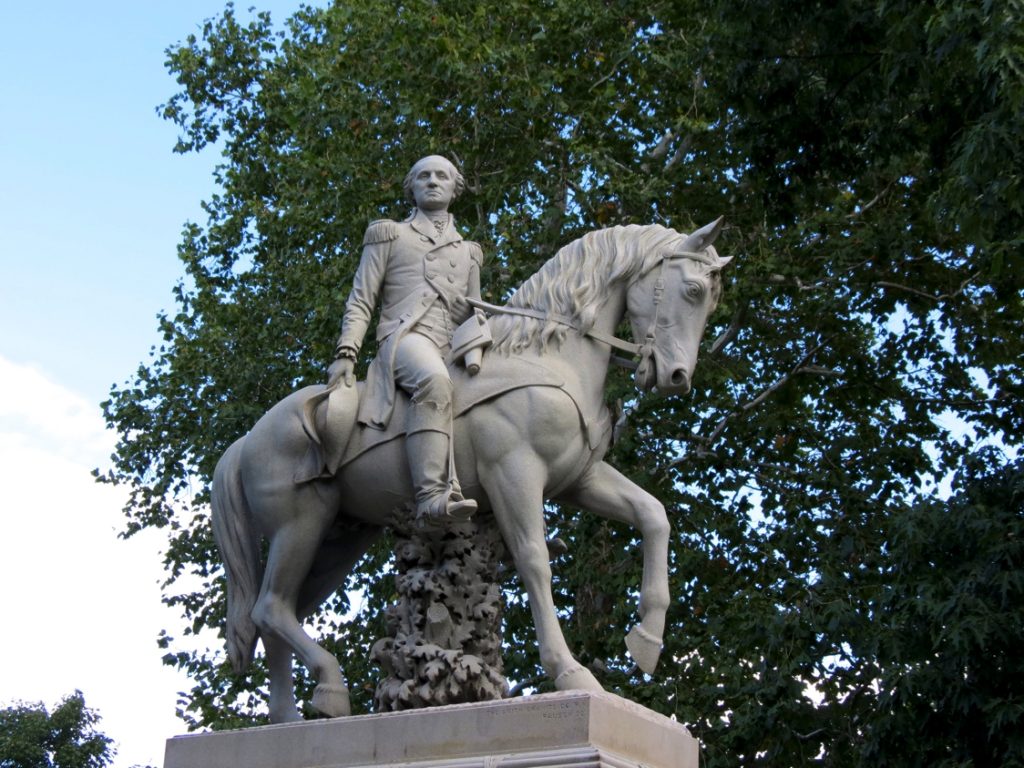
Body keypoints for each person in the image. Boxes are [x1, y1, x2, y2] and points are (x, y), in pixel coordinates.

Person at [327, 155, 481, 521]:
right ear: (411, 187)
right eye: (423, 176)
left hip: (456, 346)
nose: (432, 181)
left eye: (441, 176)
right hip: (407, 339)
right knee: (434, 382)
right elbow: (362, 298)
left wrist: (472, 318)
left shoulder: (470, 251)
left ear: (454, 189)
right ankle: (429, 495)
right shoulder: (389, 234)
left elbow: (476, 312)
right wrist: (347, 352)